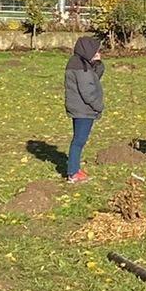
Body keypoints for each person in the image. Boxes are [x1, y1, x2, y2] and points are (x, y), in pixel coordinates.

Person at [62, 36, 104, 184]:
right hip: (83, 110)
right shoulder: (81, 68)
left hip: (78, 108)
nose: (98, 53)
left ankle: (75, 168)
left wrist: (97, 63)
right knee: (79, 140)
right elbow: (88, 91)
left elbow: (95, 76)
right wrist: (98, 106)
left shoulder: (79, 63)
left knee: (78, 140)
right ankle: (73, 173)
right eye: (96, 51)